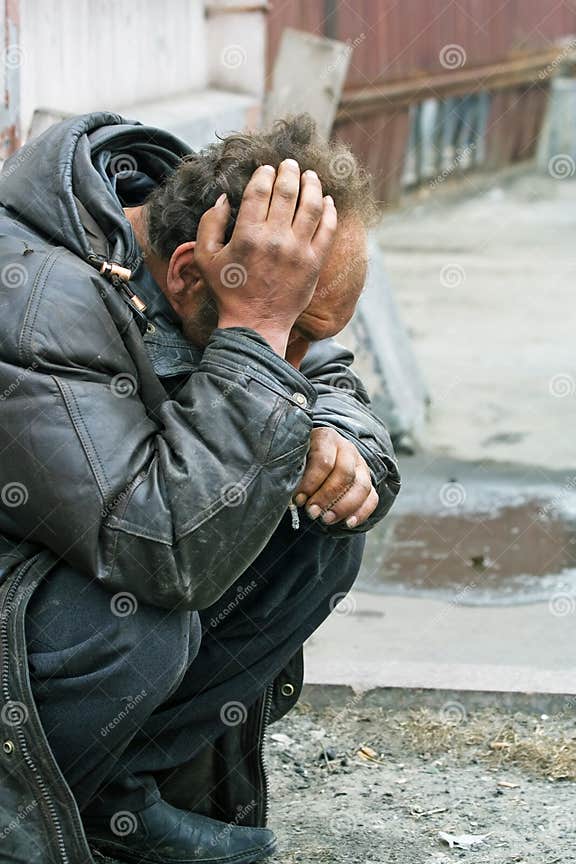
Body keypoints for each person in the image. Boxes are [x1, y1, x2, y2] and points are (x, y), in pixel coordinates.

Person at [0, 112, 400, 864]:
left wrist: (345, 446)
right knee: (138, 620)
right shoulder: (30, 300)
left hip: (65, 565)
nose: (301, 350)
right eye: (292, 328)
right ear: (188, 272)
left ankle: (111, 797)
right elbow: (159, 548)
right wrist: (256, 332)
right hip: (42, 587)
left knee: (317, 538)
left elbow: (328, 378)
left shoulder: (218, 248)